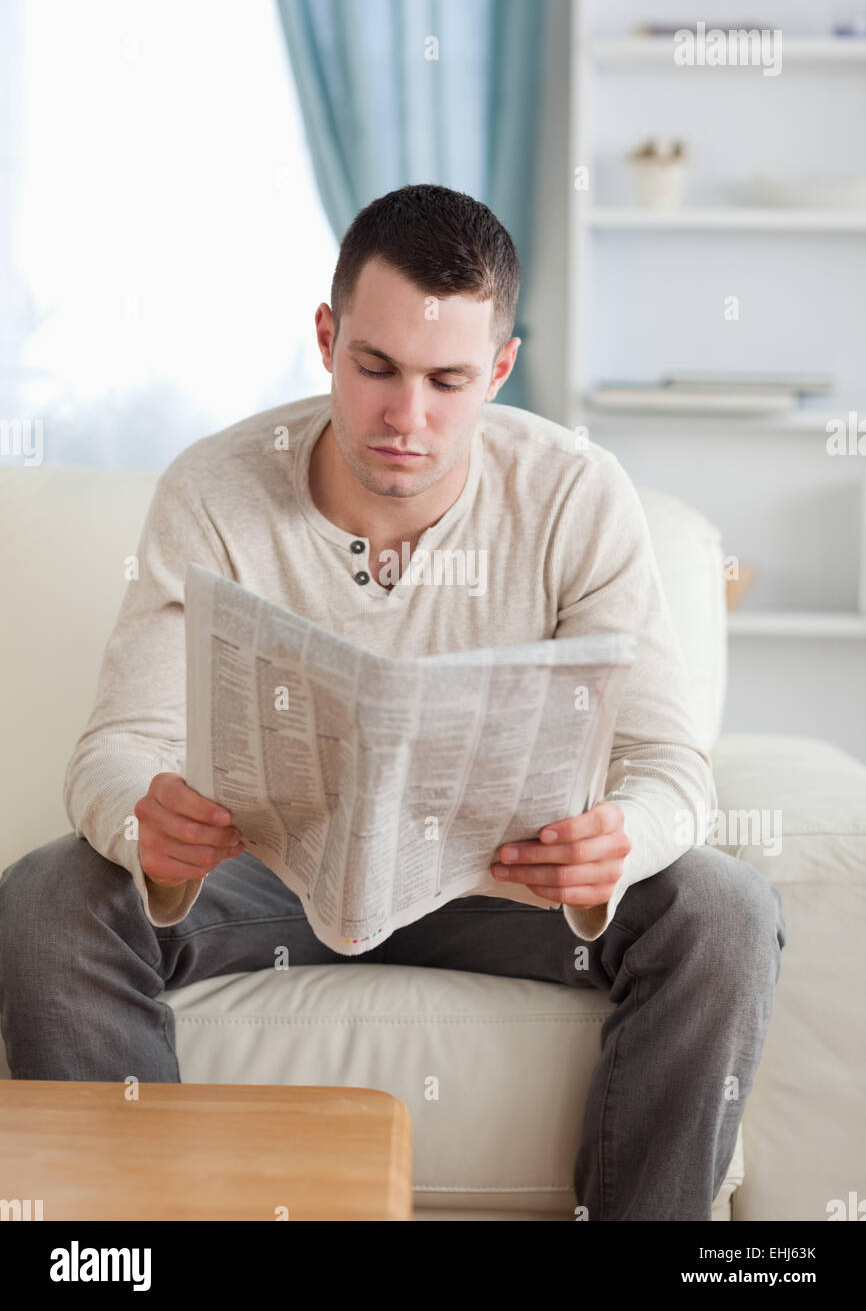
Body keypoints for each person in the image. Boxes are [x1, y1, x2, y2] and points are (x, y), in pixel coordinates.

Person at [0, 183, 785, 1220]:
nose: (404, 418)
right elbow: (118, 743)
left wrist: (620, 839)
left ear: (499, 370)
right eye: (374, 368)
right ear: (327, 337)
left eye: (447, 379)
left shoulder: (574, 495)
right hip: (266, 869)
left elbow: (668, 761)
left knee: (724, 912)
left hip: (500, 882)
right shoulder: (213, 489)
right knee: (48, 899)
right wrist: (141, 814)